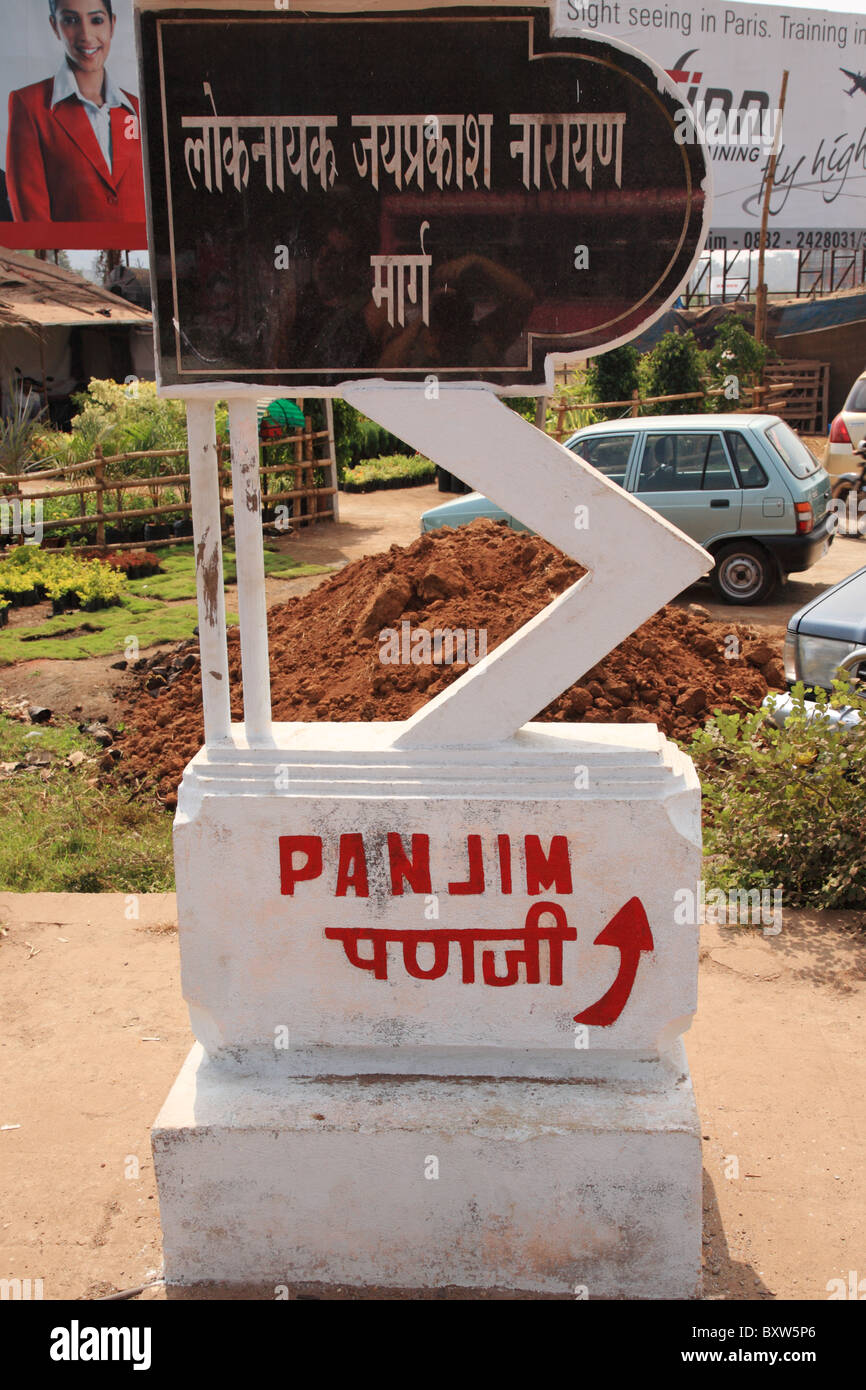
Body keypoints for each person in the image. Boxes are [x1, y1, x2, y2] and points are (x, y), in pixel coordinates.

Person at [6, 0, 145, 223]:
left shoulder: (138, 109)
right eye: (71, 20)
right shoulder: (30, 105)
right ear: (54, 26)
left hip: (138, 255)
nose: (86, 35)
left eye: (97, 20)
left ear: (112, 25)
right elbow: (32, 222)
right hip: (65, 255)